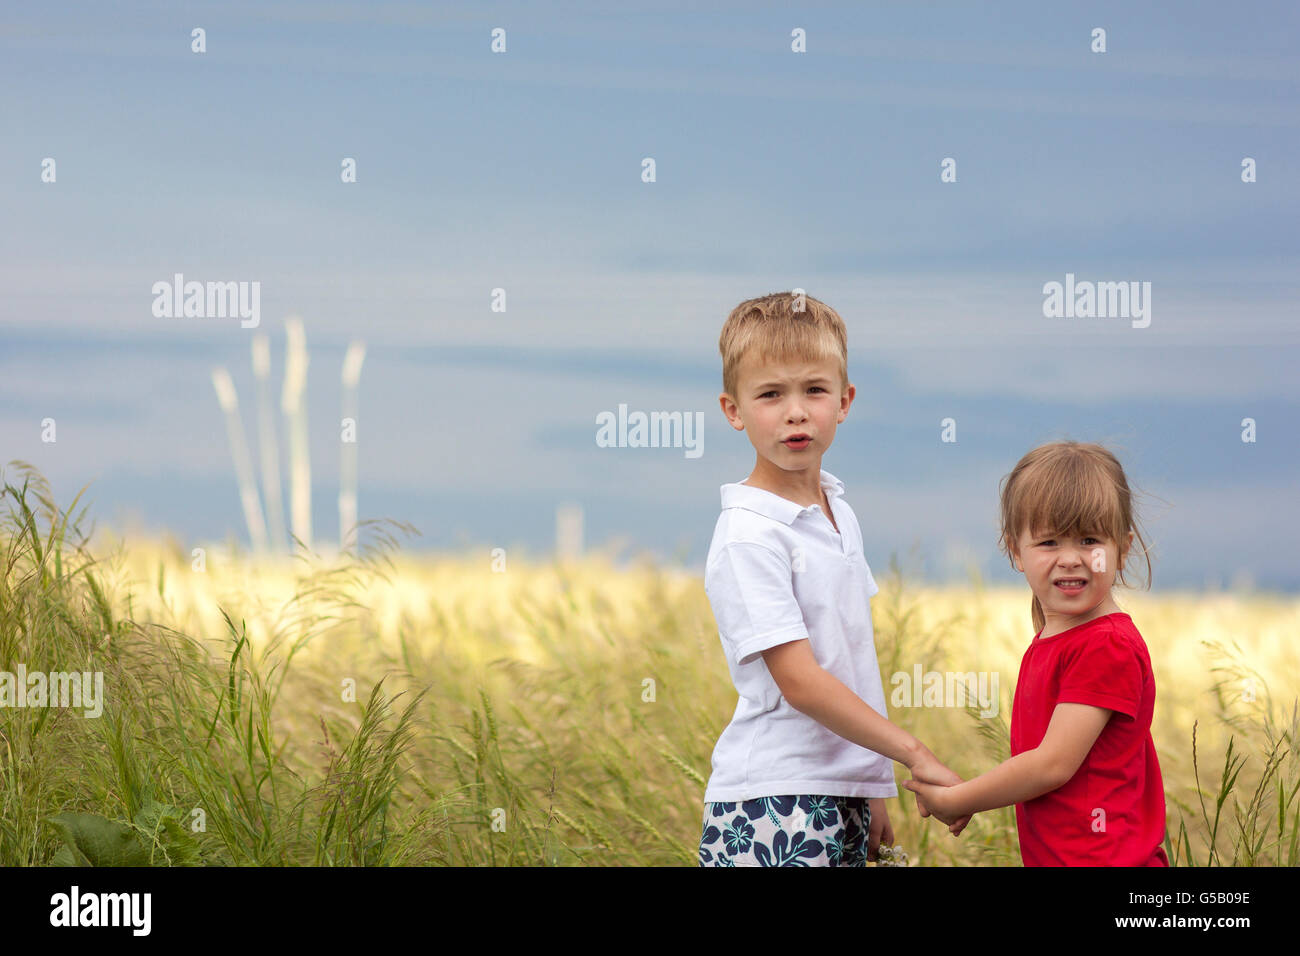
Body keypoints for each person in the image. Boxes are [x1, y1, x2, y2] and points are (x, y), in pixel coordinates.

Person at [698, 291, 968, 867]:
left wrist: (870, 788)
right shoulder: (749, 535)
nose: (795, 411)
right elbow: (800, 680)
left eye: (814, 390)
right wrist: (911, 754)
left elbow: (850, 660)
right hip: (773, 802)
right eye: (770, 394)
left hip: (841, 794)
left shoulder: (838, 512)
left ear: (844, 401)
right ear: (733, 410)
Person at [905, 440, 1169, 866]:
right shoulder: (1055, 638)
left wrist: (960, 798)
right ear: (1015, 550)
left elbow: (1052, 765)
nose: (1069, 559)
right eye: (1048, 542)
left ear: (1122, 548)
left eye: (1089, 540)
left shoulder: (1105, 646)